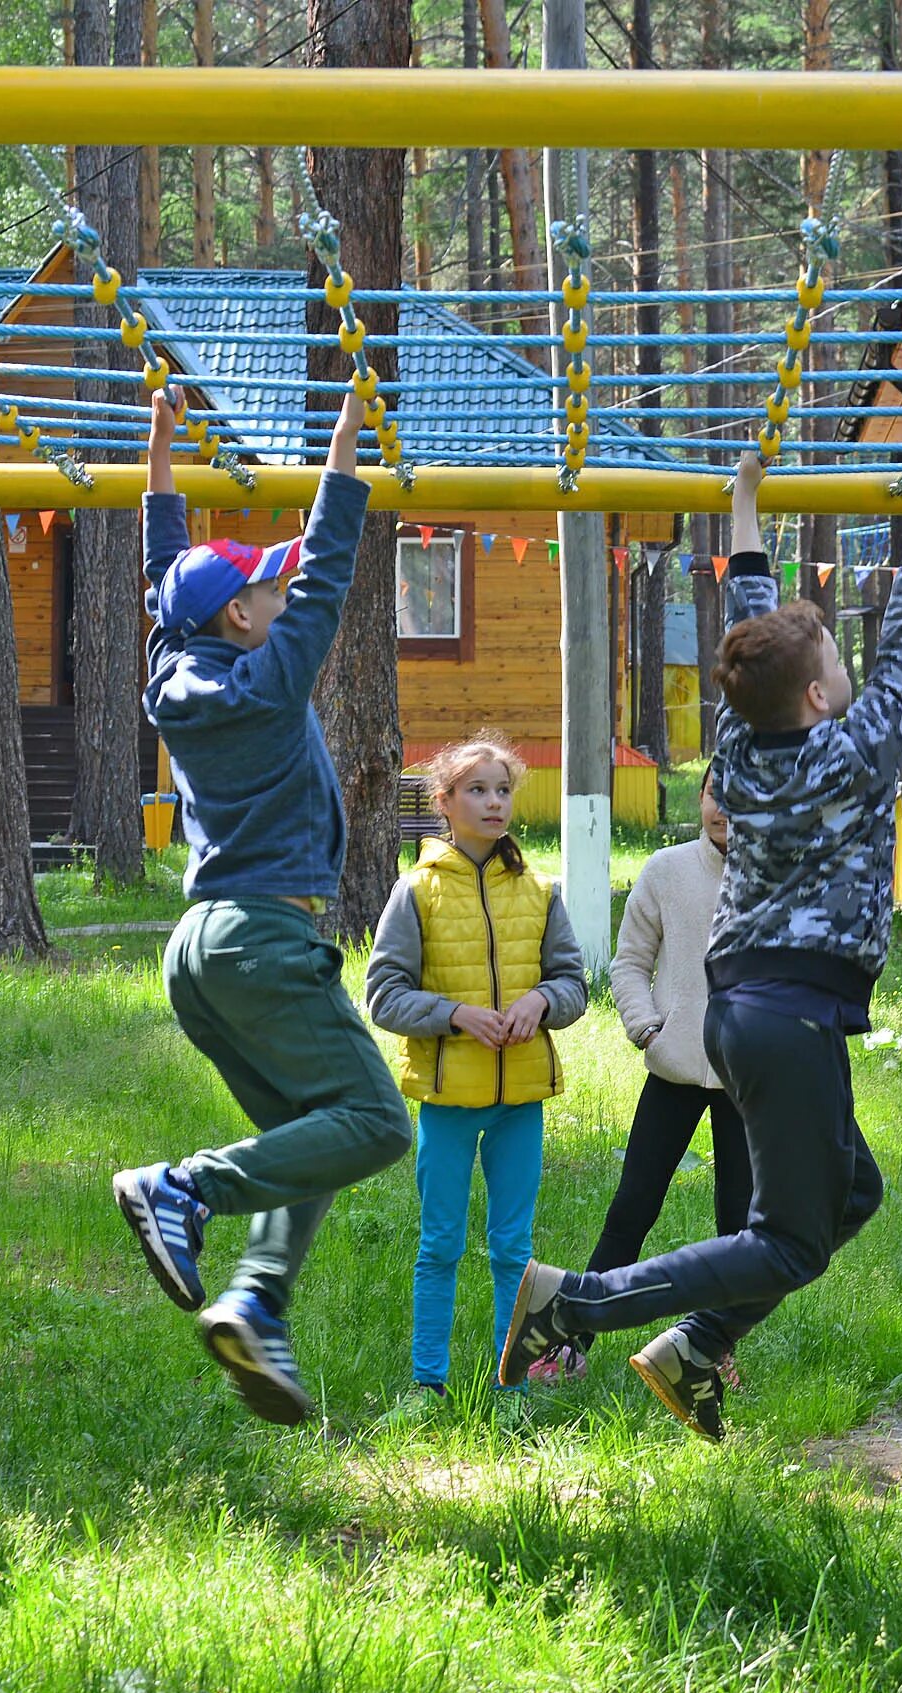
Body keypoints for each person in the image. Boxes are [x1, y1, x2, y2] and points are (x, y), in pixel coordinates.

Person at [496, 449, 902, 1441]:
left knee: (851, 1194)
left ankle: (695, 1344)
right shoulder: (858, 747)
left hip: (750, 1013)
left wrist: (742, 504)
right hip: (786, 1016)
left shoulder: (743, 745)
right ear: (823, 698)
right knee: (790, 1239)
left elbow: (763, 627)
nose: (844, 662)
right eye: (835, 657)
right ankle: (574, 1301)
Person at [111, 386, 413, 1427]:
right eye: (262, 591)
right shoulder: (268, 678)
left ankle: (256, 1301)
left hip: (196, 945)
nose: (281, 598)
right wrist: (341, 458)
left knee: (311, 1130)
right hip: (259, 936)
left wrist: (159, 466)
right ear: (240, 617)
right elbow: (324, 570)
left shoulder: (173, 671)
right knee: (374, 1124)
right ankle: (181, 1187)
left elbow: (166, 583)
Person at [364, 737, 587, 1423]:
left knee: (514, 1251)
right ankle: (427, 1385)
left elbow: (574, 984)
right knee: (440, 1245)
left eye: (503, 790)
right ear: (444, 803)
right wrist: (455, 1015)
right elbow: (383, 995)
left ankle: (511, 1387)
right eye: (477, 790)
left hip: (521, 1099)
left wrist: (540, 1003)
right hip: (447, 1102)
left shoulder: (540, 890)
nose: (494, 802)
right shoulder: (416, 892)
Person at [531, 764, 752, 1390]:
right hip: (675, 1067)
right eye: (715, 796)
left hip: (748, 1078)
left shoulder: (778, 879)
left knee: (738, 1226)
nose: (724, 813)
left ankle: (709, 1348)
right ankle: (569, 1341)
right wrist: (646, 1025)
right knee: (632, 1208)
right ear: (700, 796)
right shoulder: (665, 871)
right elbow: (629, 963)